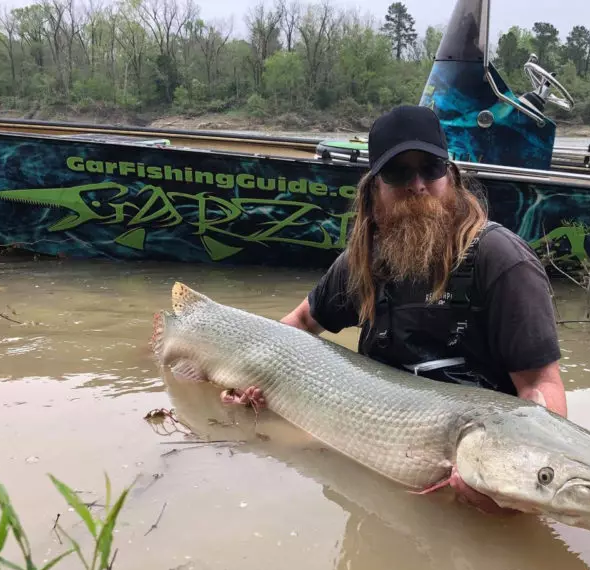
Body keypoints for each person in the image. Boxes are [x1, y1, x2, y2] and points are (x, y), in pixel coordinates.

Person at [223, 104, 567, 419]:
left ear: (450, 177)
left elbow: (540, 386)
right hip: (375, 438)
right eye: (399, 173)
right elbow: (301, 322)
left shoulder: (502, 260)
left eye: (430, 168)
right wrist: (251, 373)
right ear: (374, 190)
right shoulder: (362, 263)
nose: (417, 185)